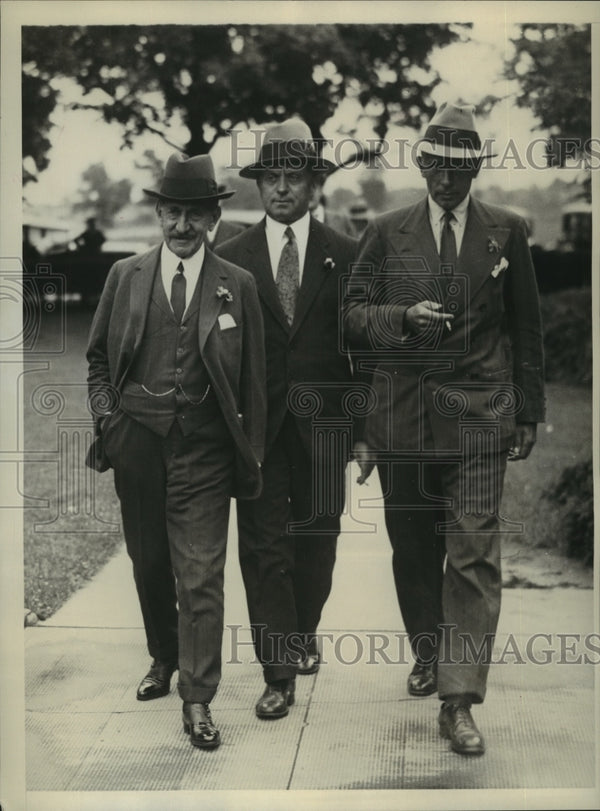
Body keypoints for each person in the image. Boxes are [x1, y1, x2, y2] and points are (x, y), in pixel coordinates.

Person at [343, 102, 545, 756]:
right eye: (438, 166)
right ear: (422, 162)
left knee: (475, 553)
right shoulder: (385, 231)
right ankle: (428, 651)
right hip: (404, 417)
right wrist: (402, 317)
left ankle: (458, 700)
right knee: (414, 550)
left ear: (477, 167)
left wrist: (528, 409)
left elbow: (526, 327)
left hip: (481, 418)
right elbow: (352, 316)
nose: (448, 181)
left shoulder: (508, 233)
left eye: (462, 168)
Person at [86, 153, 267, 750]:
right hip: (137, 443)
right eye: (172, 213)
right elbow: (96, 362)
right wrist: (109, 421)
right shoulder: (126, 276)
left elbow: (254, 383)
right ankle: (162, 658)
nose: (182, 226)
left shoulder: (236, 285)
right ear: (158, 214)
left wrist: (250, 455)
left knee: (201, 574)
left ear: (214, 217)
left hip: (205, 452)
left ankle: (198, 698)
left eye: (195, 214)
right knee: (149, 563)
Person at [217, 118, 359, 720]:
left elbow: (368, 350)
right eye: (270, 177)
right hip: (259, 431)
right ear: (257, 185)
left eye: (293, 176)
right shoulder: (229, 259)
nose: (280, 188)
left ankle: (303, 629)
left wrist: (366, 432)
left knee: (317, 547)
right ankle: (278, 672)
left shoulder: (348, 254)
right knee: (263, 549)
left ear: (314, 183)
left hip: (327, 431)